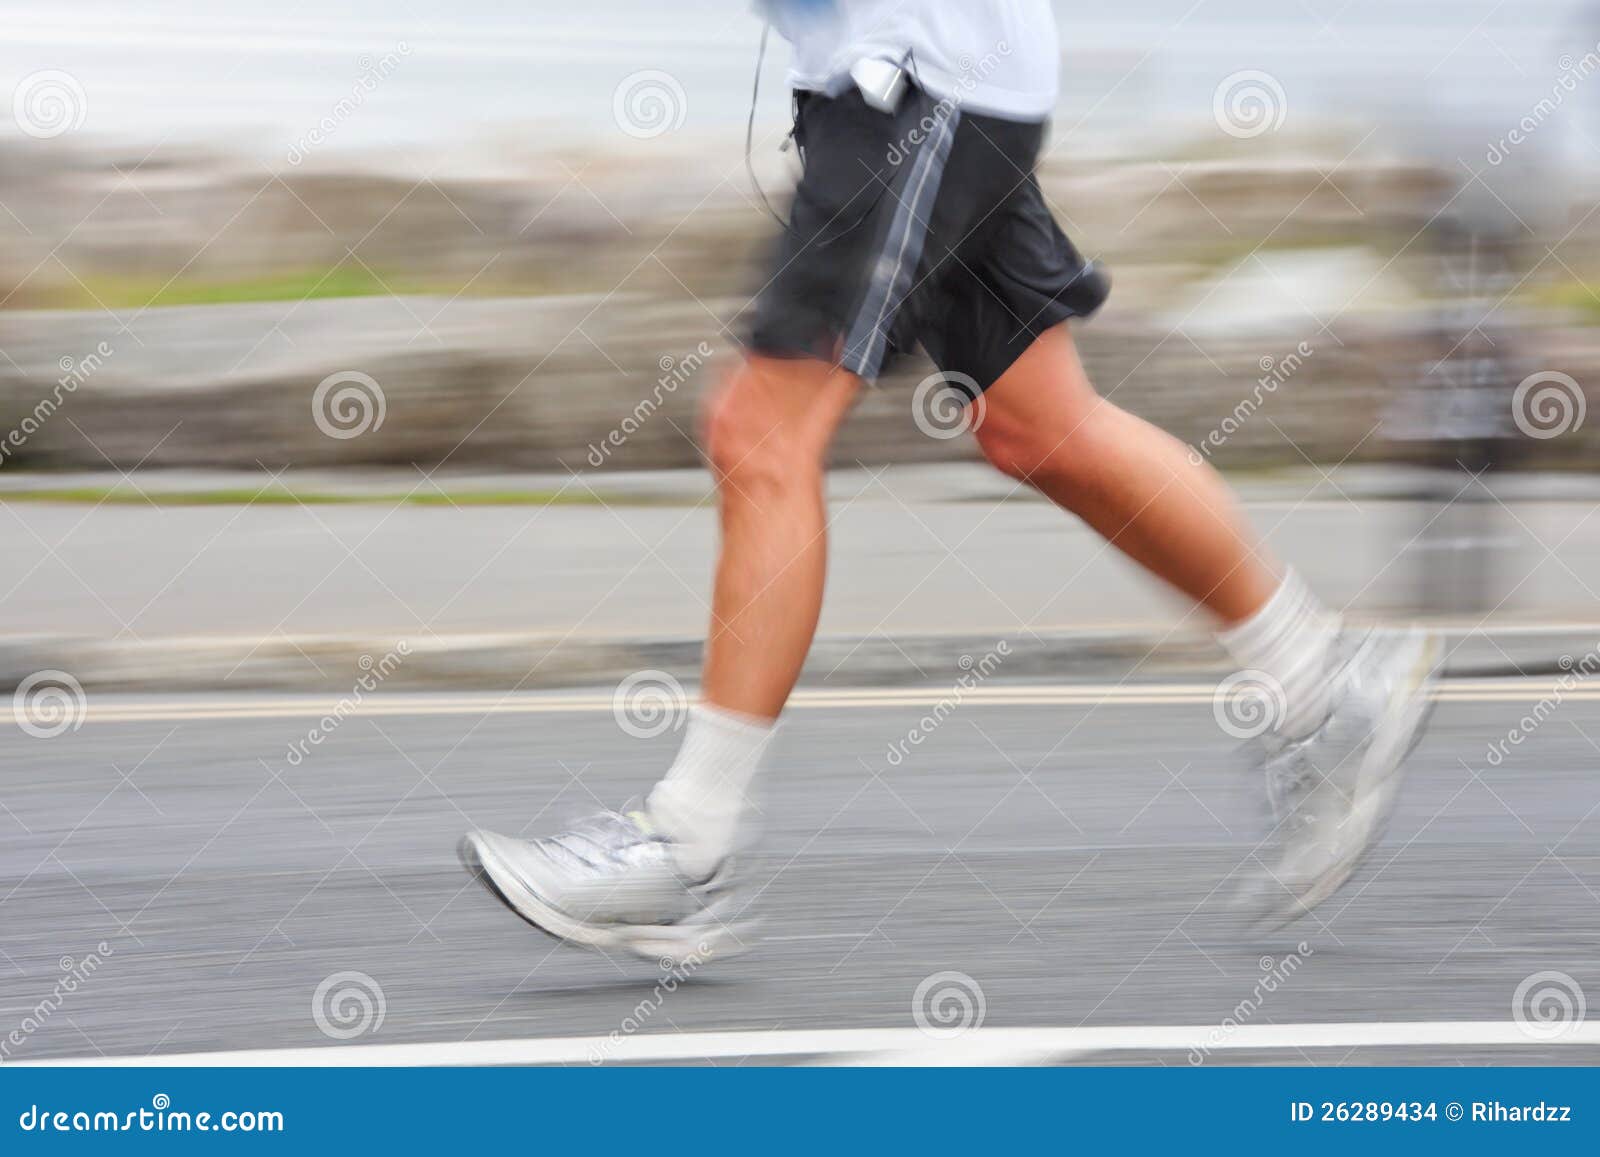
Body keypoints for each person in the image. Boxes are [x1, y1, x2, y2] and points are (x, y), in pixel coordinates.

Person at [460, 0, 1439, 962]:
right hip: (926, 79)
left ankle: (684, 848)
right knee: (1032, 424)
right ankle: (1319, 679)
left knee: (760, 430)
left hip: (915, 78)